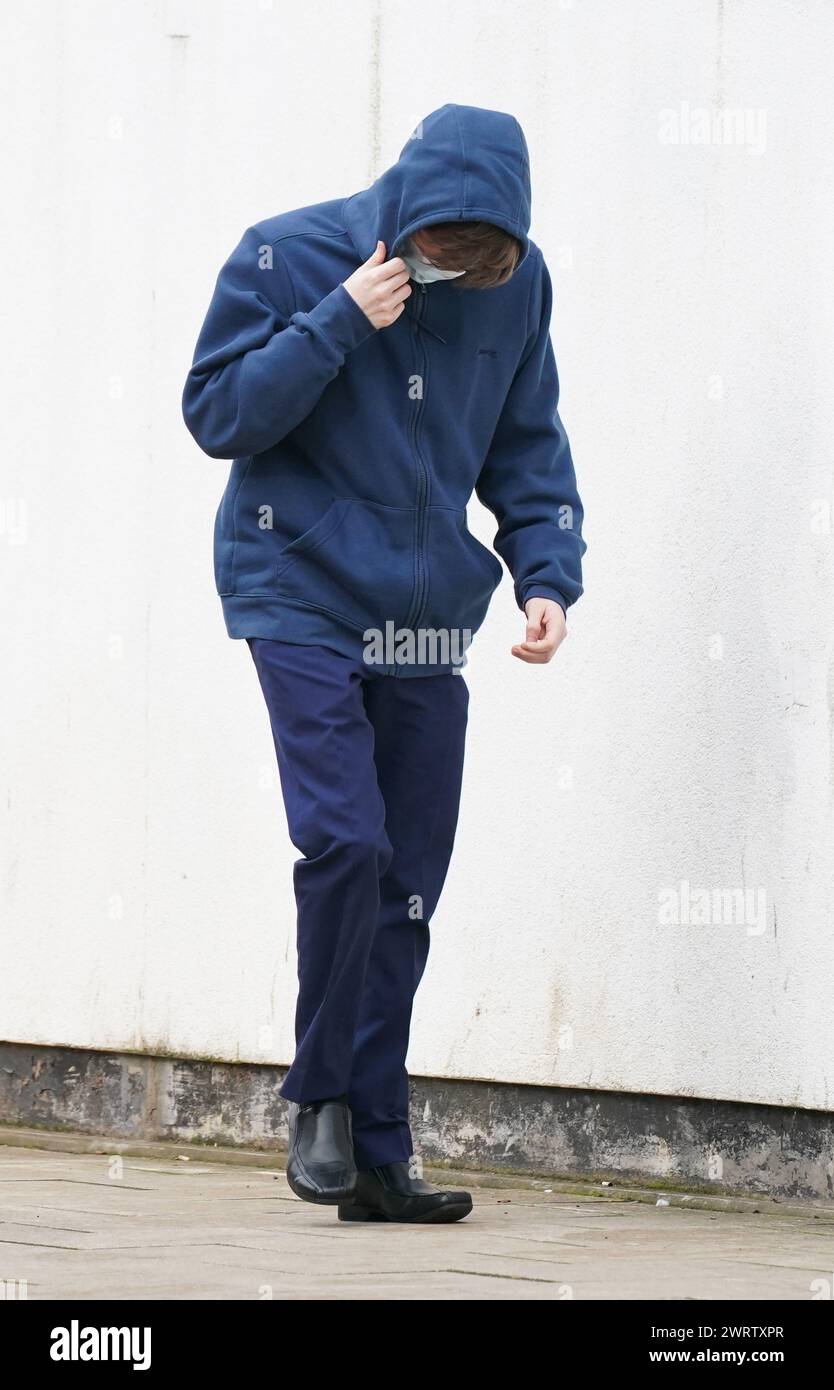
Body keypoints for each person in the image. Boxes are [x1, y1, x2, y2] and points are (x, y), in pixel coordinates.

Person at [182, 103, 585, 1224]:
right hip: (298, 589)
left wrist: (547, 574)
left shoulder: (519, 285)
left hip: (424, 616)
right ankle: (318, 1096)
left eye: (483, 259)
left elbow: (527, 441)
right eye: (441, 251)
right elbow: (217, 415)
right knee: (347, 840)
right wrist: (339, 319)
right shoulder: (288, 253)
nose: (457, 273)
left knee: (408, 878)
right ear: (406, 210)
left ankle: (376, 1151)